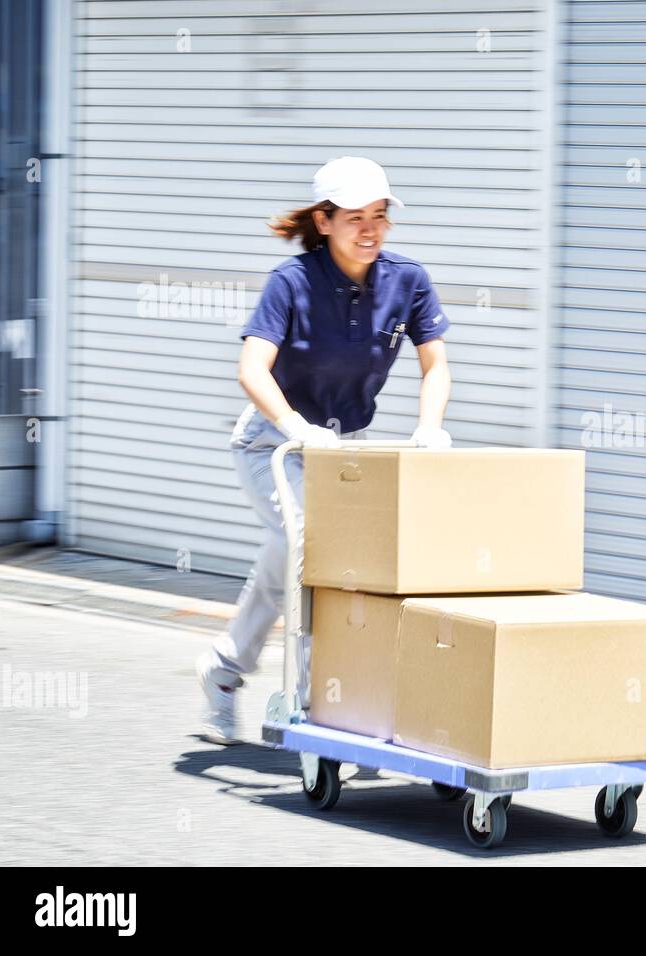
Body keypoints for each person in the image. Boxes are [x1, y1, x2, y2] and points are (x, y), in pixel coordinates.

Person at [195, 156, 452, 744]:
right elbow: (251, 368)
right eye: (356, 217)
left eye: (380, 216)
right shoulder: (292, 282)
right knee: (310, 550)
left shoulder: (406, 280)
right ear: (325, 219)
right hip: (272, 444)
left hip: (345, 450)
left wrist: (430, 426)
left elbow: (434, 362)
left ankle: (226, 671)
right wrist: (293, 425)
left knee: (300, 556)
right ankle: (312, 702)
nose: (371, 230)